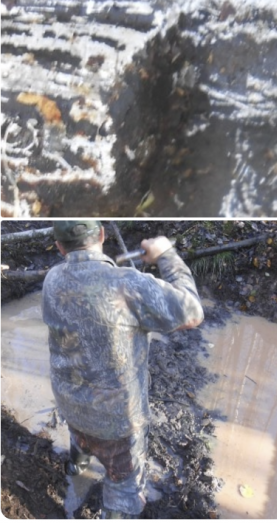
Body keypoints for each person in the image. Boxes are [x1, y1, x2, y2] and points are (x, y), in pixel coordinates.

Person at [43, 221, 204, 519]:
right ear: (102, 235)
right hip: (116, 423)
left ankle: (75, 471)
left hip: (71, 405)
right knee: (123, 488)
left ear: (59, 247)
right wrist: (166, 255)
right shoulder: (128, 284)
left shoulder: (52, 279)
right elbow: (192, 312)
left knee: (81, 436)